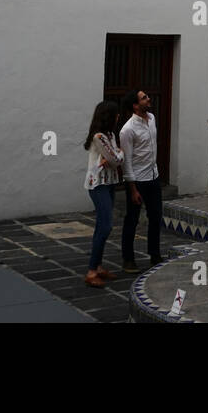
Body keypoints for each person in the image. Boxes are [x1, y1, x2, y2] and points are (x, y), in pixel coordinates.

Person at [119, 89, 163, 270]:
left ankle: (155, 254)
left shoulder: (152, 119)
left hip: (153, 176)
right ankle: (128, 258)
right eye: (144, 98)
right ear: (135, 106)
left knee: (155, 217)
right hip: (138, 180)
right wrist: (133, 189)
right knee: (132, 220)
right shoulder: (127, 130)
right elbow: (126, 161)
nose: (148, 99)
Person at [83, 100, 123, 288]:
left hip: (109, 183)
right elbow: (116, 158)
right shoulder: (98, 137)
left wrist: (115, 157)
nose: (118, 117)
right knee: (106, 226)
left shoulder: (110, 135)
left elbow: (114, 159)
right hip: (98, 185)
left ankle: (97, 266)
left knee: (102, 226)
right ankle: (91, 271)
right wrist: (118, 155)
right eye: (115, 114)